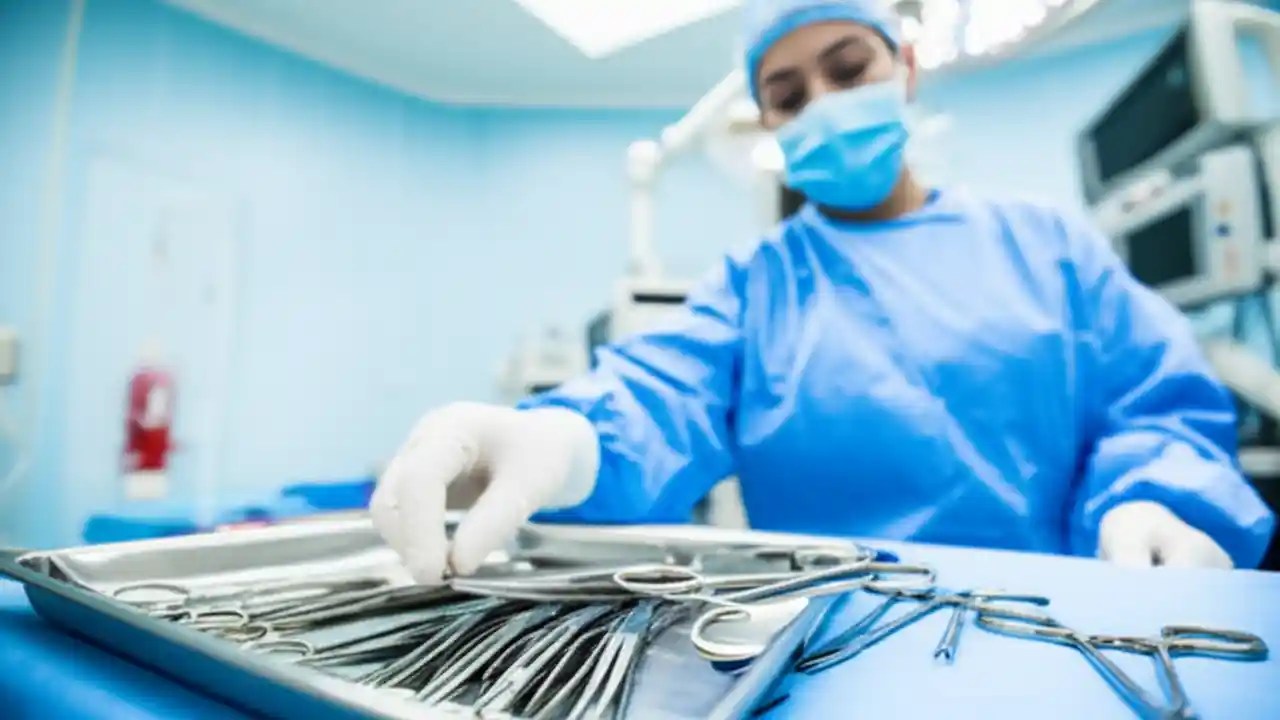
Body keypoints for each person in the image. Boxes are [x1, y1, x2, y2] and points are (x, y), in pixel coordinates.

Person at [372, 0, 1275, 583]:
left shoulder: (1046, 246)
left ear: (906, 70)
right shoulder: (755, 286)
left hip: (1057, 635)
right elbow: (657, 399)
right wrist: (556, 435)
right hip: (828, 651)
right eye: (787, 92)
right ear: (765, 121)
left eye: (850, 70)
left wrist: (1157, 499)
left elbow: (1156, 404)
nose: (824, 105)